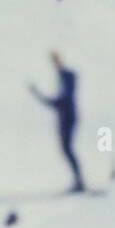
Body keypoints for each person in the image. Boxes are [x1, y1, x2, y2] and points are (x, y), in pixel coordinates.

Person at [29, 51, 85, 193]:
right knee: (67, 149)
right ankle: (78, 180)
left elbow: (60, 101)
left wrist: (38, 94)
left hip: (68, 117)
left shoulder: (67, 77)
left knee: (67, 149)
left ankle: (79, 181)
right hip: (65, 117)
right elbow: (57, 102)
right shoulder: (64, 78)